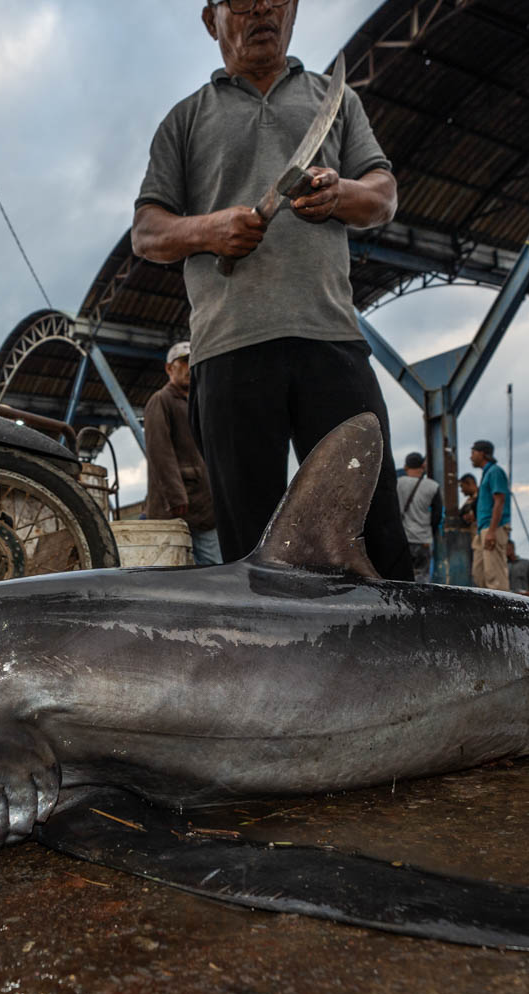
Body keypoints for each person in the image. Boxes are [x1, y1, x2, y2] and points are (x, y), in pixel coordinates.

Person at [130, 0, 411, 580]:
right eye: (242, 1)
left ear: (294, 12)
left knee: (374, 533)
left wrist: (340, 193)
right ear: (212, 21)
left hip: (330, 339)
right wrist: (210, 229)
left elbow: (382, 196)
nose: (261, 10)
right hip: (229, 349)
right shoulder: (184, 120)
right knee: (248, 551)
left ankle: (393, 658)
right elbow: (147, 232)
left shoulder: (336, 102)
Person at [143, 341, 220, 565]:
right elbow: (160, 452)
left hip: (204, 508)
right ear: (169, 368)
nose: (189, 368)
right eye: (183, 362)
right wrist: (175, 495)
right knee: (175, 570)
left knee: (213, 568)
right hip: (176, 508)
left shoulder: (199, 401)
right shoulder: (161, 401)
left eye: (192, 362)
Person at [469, 440, 510, 591]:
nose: (471, 457)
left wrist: (492, 531)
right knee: (479, 573)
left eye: (473, 452)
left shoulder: (495, 472)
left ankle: (504, 610)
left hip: (493, 528)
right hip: (483, 527)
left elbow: (499, 501)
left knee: (495, 576)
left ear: (482, 453)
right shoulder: (487, 473)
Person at [396, 452, 440, 582]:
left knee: (402, 576)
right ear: (422, 466)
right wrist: (429, 533)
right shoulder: (433, 486)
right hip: (423, 540)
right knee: (422, 575)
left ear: (405, 467)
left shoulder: (397, 483)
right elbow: (437, 514)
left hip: (403, 539)